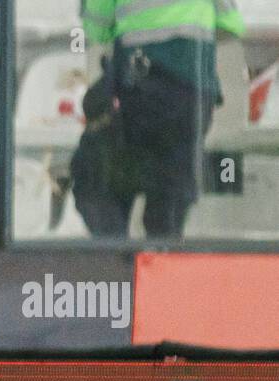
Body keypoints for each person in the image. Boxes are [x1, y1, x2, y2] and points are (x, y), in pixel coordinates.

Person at [74, 0, 246, 238]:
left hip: (138, 87)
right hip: (193, 88)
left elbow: (97, 29)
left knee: (96, 177)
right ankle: (163, 257)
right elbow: (231, 24)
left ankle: (116, 260)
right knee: (170, 196)